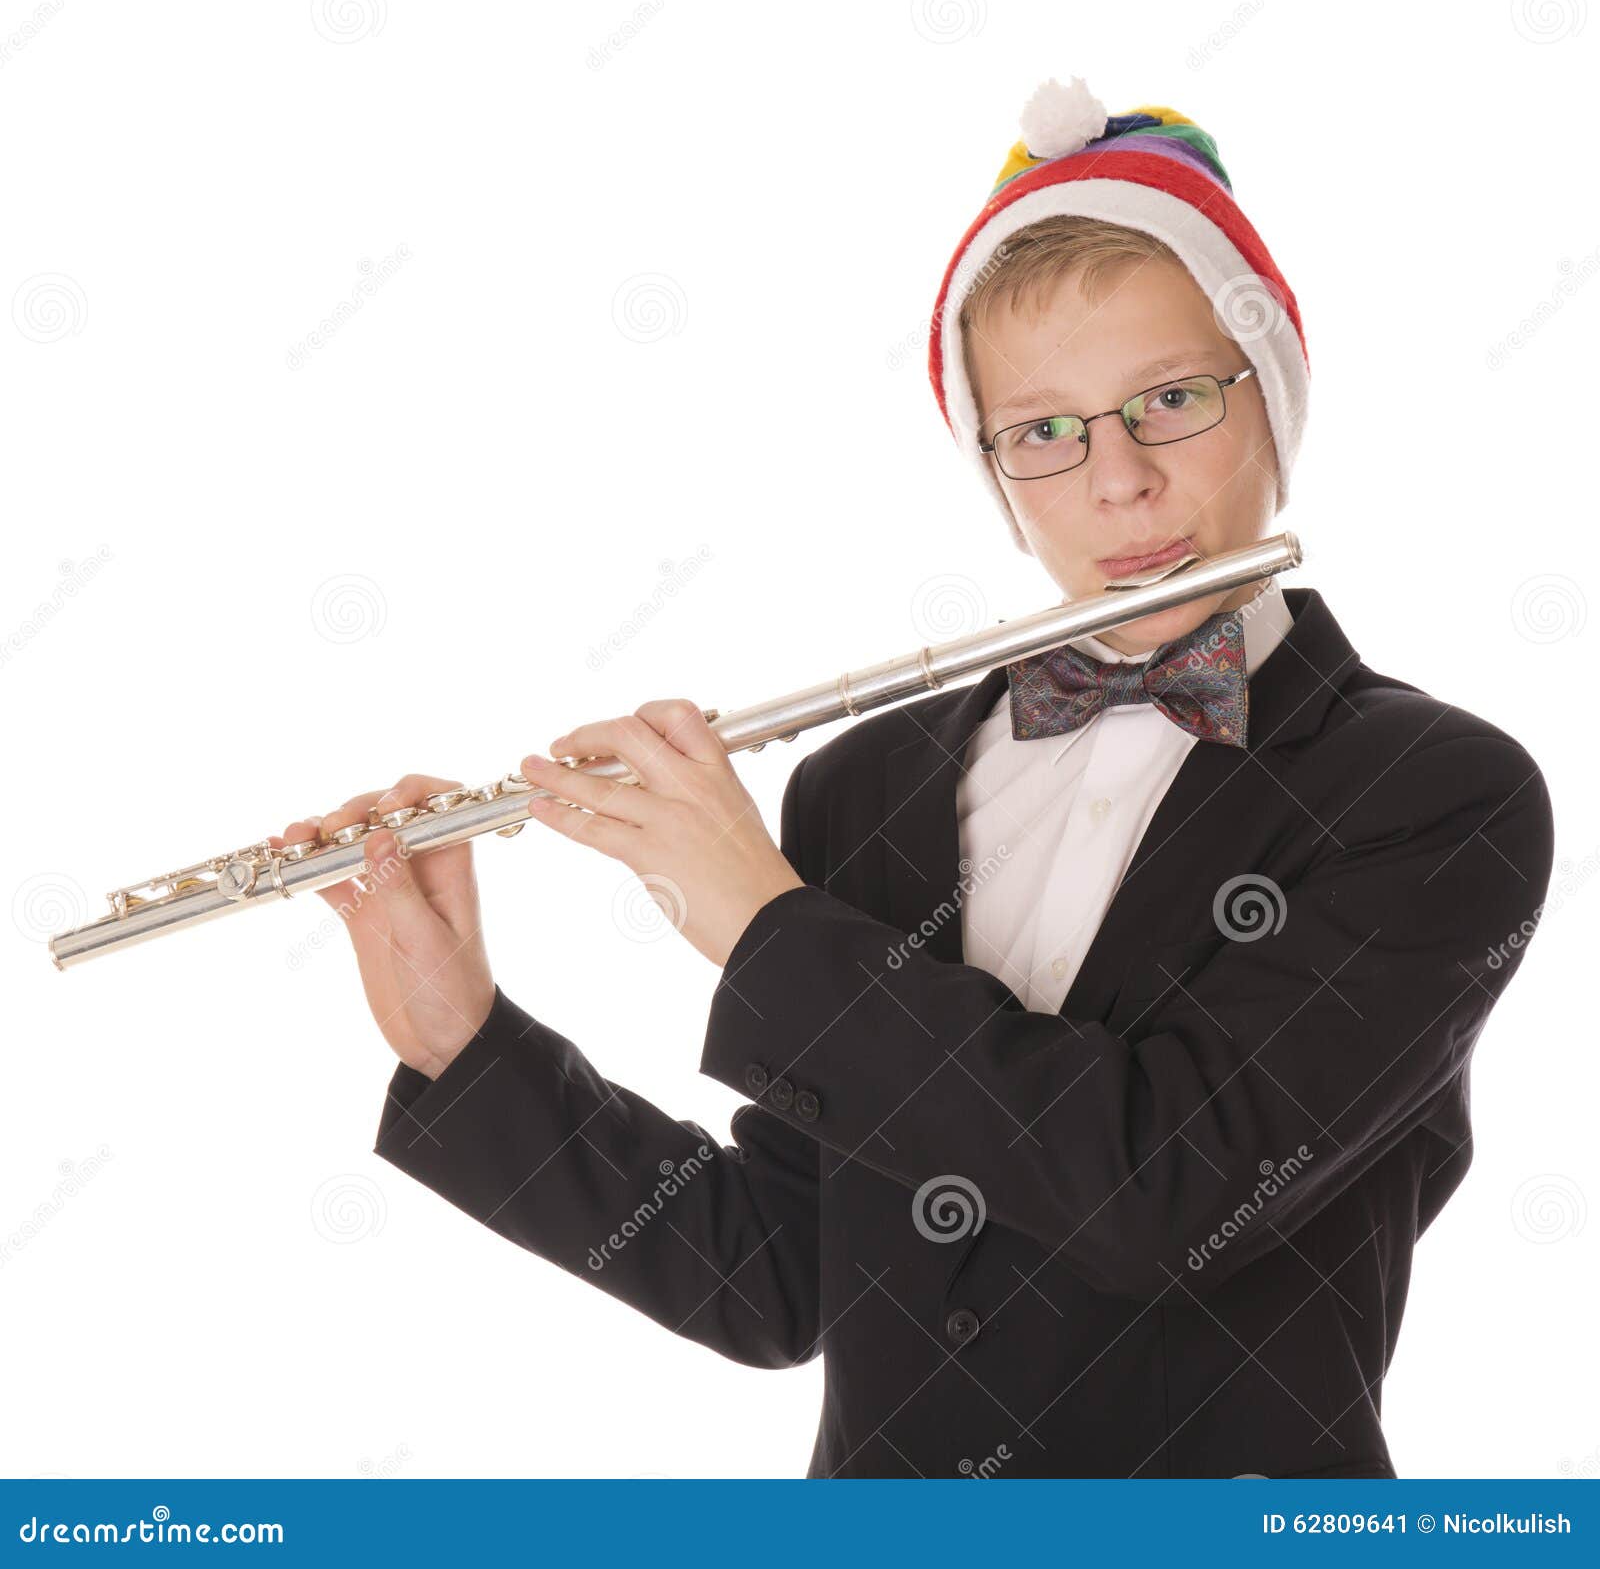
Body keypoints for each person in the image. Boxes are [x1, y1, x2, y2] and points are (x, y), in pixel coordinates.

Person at [274, 78, 1554, 1477]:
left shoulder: (1437, 797)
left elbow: (1168, 1197)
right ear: (996, 471)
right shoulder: (862, 788)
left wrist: (760, 922)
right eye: (1045, 432)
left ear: (1275, 405)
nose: (1114, 482)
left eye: (1171, 400)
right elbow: (779, 1282)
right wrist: (464, 1042)